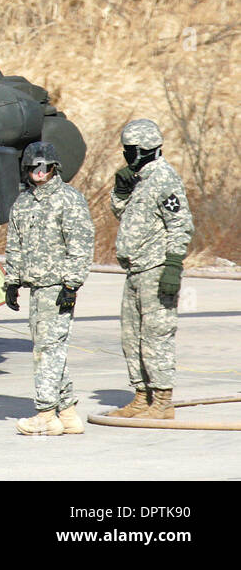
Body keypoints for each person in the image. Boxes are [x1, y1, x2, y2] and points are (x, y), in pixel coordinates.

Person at [2, 141, 95, 436]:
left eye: (43, 167)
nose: (38, 173)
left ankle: (45, 414)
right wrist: (12, 280)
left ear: (54, 167)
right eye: (33, 167)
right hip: (36, 287)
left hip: (58, 287)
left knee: (47, 350)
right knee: (50, 349)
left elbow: (81, 245)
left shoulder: (69, 199)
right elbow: (14, 244)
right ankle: (66, 413)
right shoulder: (23, 202)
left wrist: (71, 284)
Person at [107, 119, 193, 420]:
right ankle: (142, 396)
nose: (127, 155)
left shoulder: (164, 178)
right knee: (132, 337)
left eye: (131, 150)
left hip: (156, 269)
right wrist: (120, 190)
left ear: (145, 149)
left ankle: (163, 400)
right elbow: (123, 214)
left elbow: (180, 224)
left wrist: (173, 266)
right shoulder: (140, 178)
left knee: (156, 335)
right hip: (135, 269)